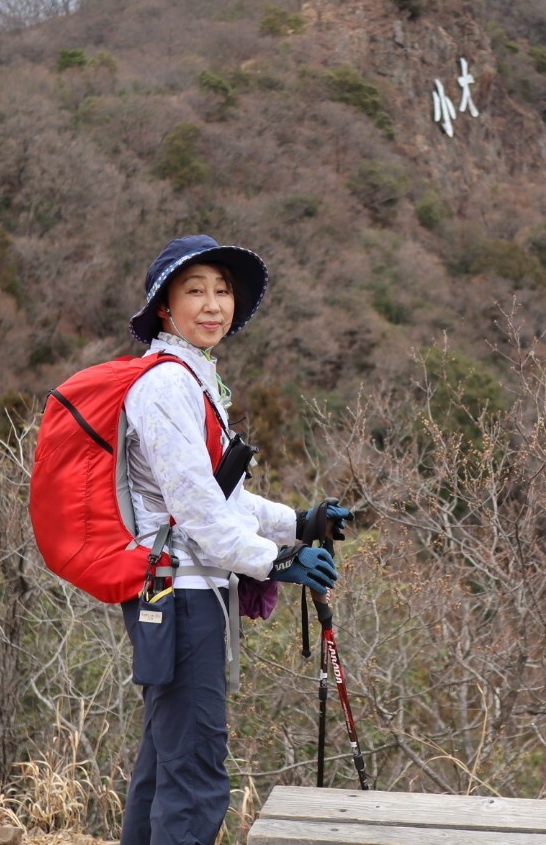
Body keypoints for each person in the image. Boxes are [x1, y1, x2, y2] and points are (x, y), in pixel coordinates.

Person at [117, 234, 348, 845]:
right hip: (181, 594)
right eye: (195, 291)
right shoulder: (167, 388)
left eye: (222, 291)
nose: (213, 304)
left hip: (181, 594)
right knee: (195, 773)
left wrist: (296, 522)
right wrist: (279, 560)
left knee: (165, 763)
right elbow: (199, 516)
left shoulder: (194, 381)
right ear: (164, 306)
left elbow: (224, 500)